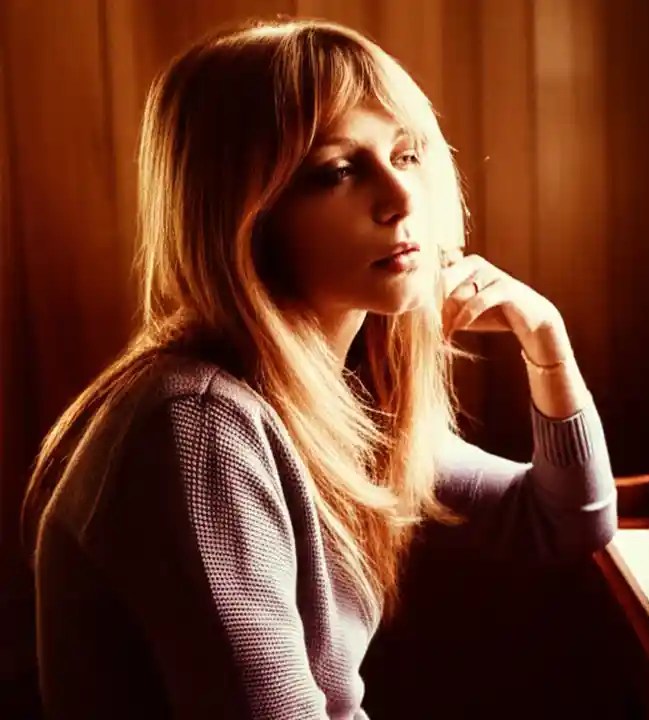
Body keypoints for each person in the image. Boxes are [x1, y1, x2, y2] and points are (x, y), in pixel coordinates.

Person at [21, 17, 616, 719]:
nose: (401, 199)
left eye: (406, 155)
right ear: (244, 213)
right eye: (338, 171)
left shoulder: (332, 393)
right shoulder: (201, 425)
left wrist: (547, 343)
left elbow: (565, 520)